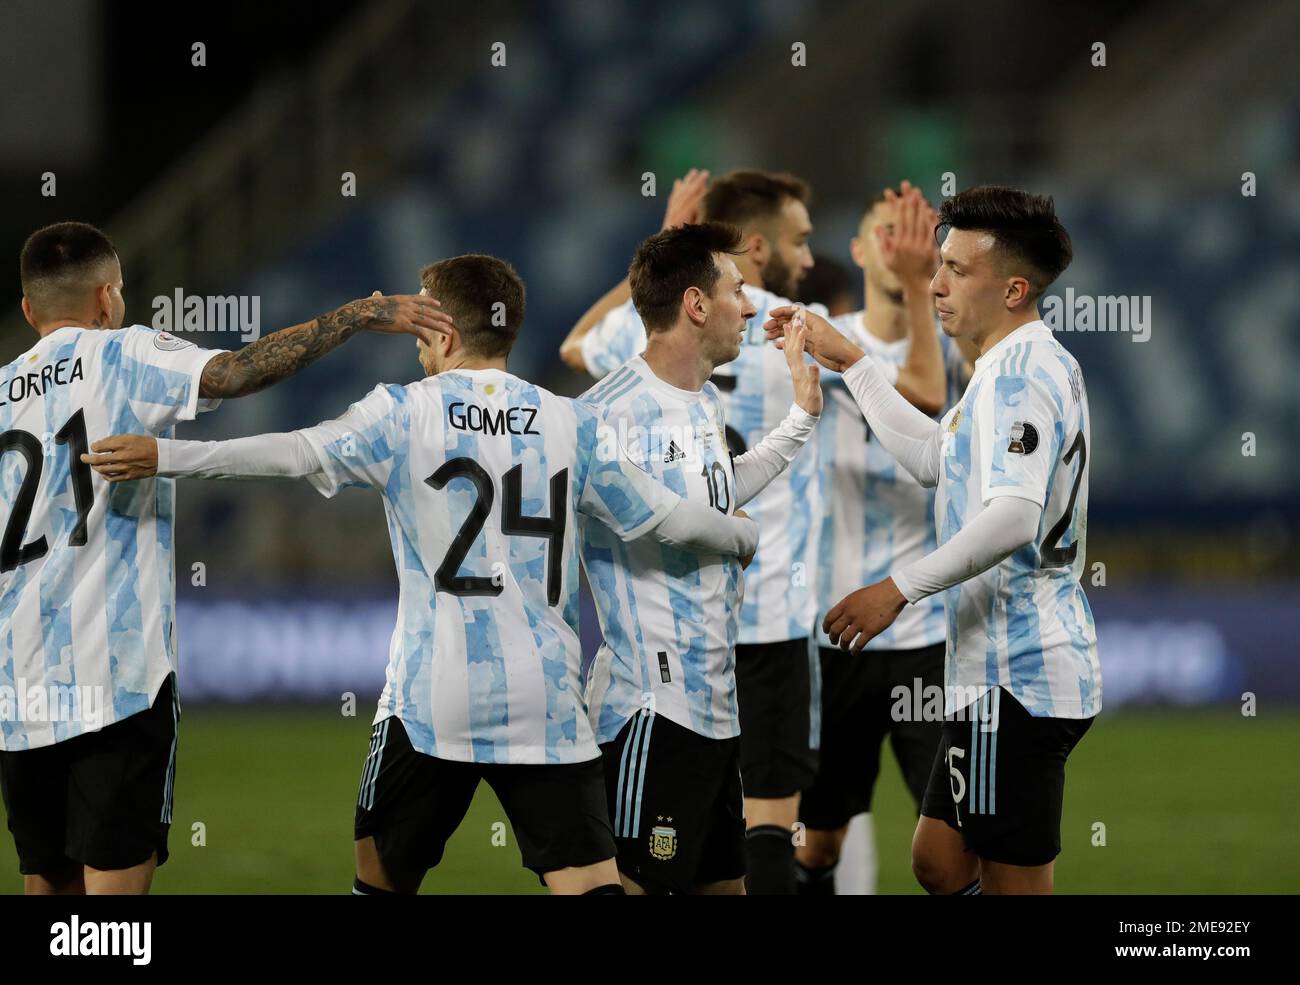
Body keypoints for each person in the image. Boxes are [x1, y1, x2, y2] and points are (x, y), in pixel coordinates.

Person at [85, 254, 760, 895]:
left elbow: (292, 453)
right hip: (546, 700)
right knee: (589, 880)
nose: (413, 343)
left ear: (442, 327)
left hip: (436, 696)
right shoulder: (571, 420)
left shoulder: (403, 411)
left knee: (380, 873)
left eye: (420, 324)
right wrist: (741, 533)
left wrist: (167, 454)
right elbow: (666, 517)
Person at [0, 221, 448, 895]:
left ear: (30, 310)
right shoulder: (123, 353)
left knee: (47, 884)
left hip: (18, 688)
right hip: (114, 677)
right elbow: (237, 371)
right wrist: (358, 314)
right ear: (106, 300)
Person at [766, 186, 1100, 895]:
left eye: (956, 270)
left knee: (1012, 883)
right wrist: (854, 362)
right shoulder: (1011, 367)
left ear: (1013, 288)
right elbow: (932, 458)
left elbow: (1013, 517)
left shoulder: (1018, 377)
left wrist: (897, 588)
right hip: (996, 674)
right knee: (938, 860)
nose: (936, 283)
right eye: (937, 264)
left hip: (1023, 678)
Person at [578, 222, 821, 894]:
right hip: (651, 713)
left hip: (715, 708)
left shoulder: (704, 400)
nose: (749, 306)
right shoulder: (607, 415)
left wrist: (801, 421)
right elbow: (671, 520)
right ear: (695, 304)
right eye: (737, 290)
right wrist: (744, 537)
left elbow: (716, 490)